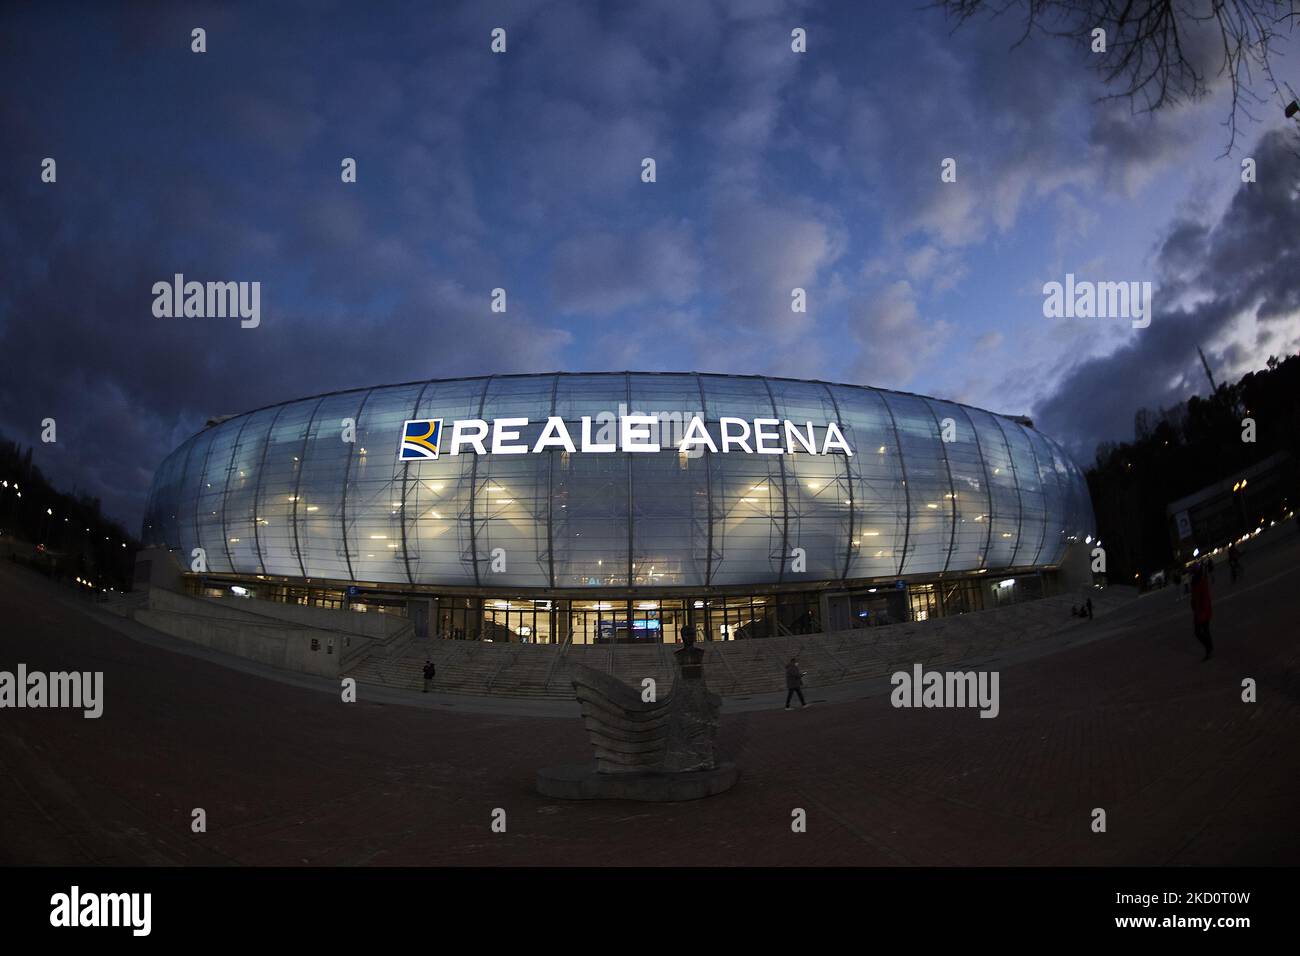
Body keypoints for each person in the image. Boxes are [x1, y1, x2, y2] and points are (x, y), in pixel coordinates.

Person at [1189, 565, 1213, 662]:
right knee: (1203, 631)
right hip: (1199, 610)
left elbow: (1204, 598)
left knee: (1200, 631)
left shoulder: (1201, 581)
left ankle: (1209, 648)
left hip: (1202, 611)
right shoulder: (1195, 581)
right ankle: (1209, 647)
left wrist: (1200, 609)